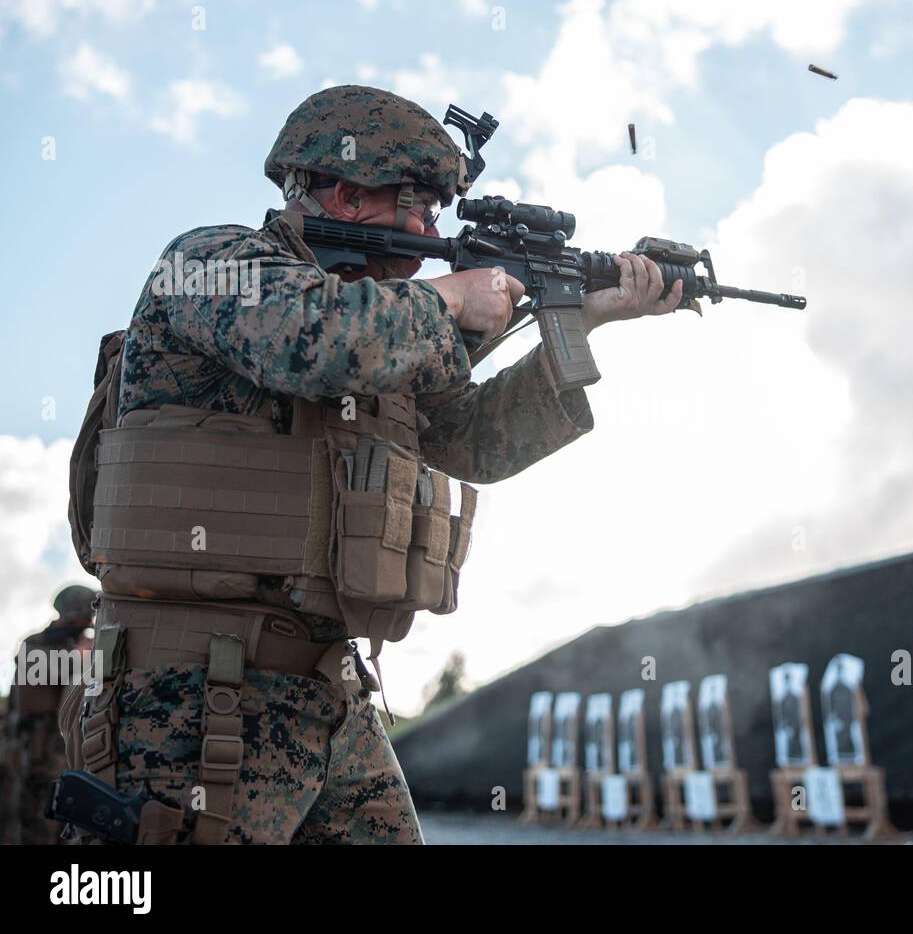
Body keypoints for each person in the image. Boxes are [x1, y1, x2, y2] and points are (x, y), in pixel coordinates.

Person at [62, 85, 683, 845]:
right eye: (419, 209)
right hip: (188, 688)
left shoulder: (388, 322)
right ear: (351, 195)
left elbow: (470, 440)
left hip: (325, 689)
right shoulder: (211, 263)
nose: (429, 234)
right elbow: (314, 341)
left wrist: (585, 318)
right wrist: (452, 299)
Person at [6, 585, 96, 843]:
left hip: (66, 751)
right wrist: (81, 657)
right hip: (37, 750)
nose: (87, 622)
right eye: (84, 616)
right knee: (37, 823)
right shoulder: (36, 644)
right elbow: (41, 667)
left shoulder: (81, 645)